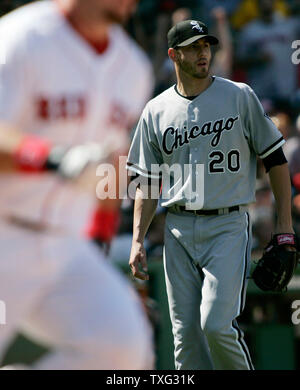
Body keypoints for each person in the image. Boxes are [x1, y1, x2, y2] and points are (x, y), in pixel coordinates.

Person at [127, 19, 295, 370]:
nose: (203, 52)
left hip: (228, 223)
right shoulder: (156, 110)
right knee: (184, 337)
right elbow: (146, 180)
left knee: (215, 325)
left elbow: (277, 159)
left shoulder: (238, 95)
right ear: (174, 54)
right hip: (177, 227)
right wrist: (138, 240)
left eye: (206, 45)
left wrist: (284, 227)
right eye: (193, 47)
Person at [0, 0, 154, 369]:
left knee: (122, 349)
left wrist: (100, 243)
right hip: (5, 232)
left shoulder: (133, 66)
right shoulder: (22, 38)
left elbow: (114, 159)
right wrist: (54, 160)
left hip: (64, 246)